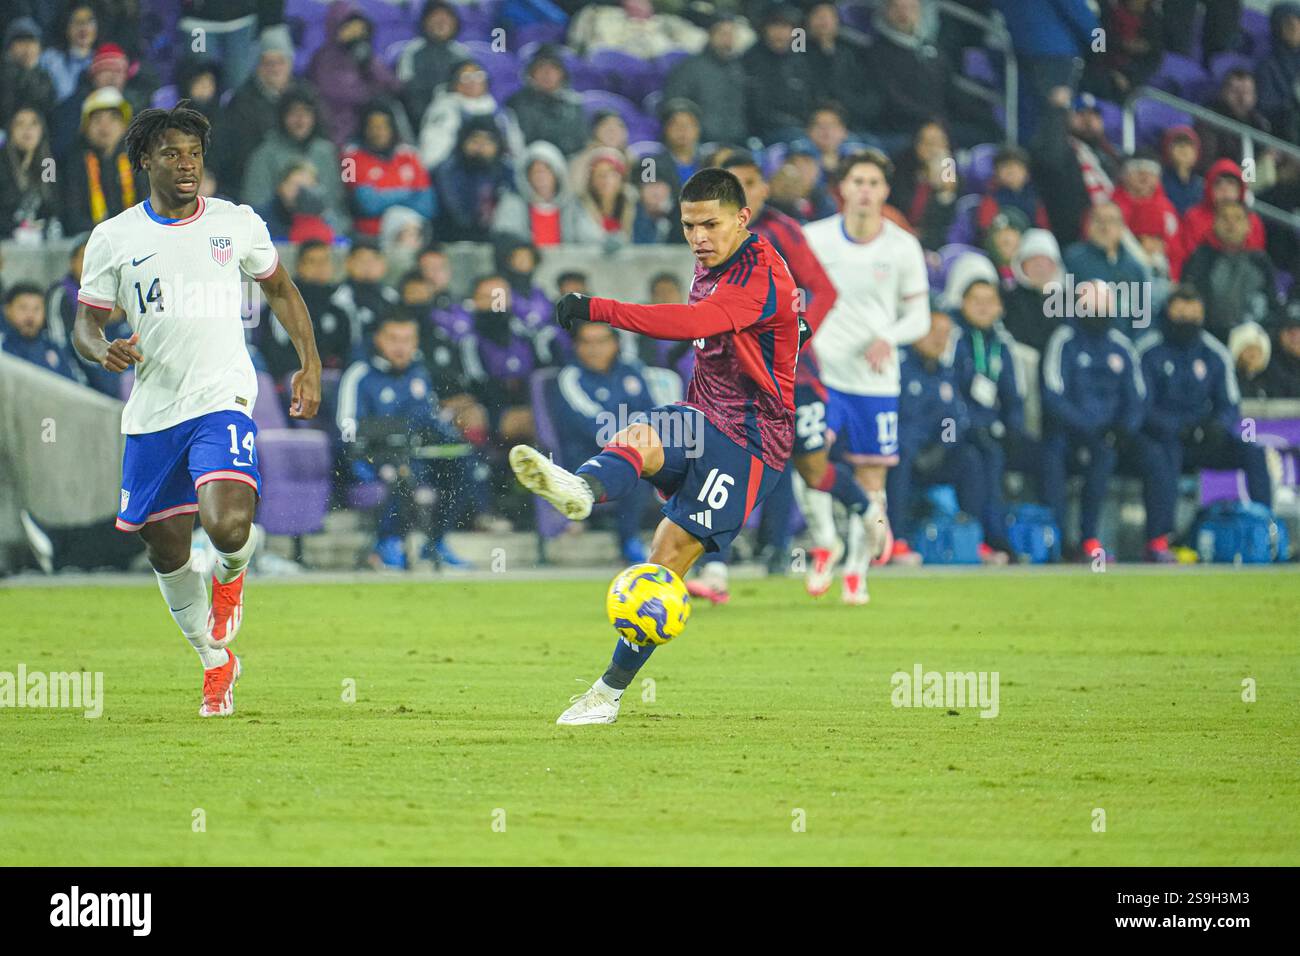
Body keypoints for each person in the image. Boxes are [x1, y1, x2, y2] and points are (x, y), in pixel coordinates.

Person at [507, 168, 802, 724]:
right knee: (640, 434)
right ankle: (582, 490)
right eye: (690, 226)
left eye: (710, 224)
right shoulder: (715, 260)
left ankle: (608, 693)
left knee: (665, 564)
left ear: (743, 219)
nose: (698, 237)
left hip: (753, 441)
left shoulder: (762, 274)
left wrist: (599, 308)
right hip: (704, 414)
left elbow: (692, 321)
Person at [69, 102, 321, 715]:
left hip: (222, 396)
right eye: (173, 154)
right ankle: (216, 662)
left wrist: (308, 362)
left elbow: (281, 289)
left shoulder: (235, 223)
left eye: (195, 154)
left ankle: (231, 574)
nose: (187, 165)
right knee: (164, 547)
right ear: (146, 162)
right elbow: (85, 323)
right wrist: (101, 350)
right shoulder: (115, 236)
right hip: (153, 410)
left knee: (229, 523)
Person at [804, 151, 931, 604]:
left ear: (884, 191)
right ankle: (826, 541)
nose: (864, 190)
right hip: (821, 374)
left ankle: (856, 571)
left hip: (875, 381)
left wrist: (888, 337)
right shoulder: (814, 239)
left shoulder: (901, 246)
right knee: (810, 464)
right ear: (842, 188)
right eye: (857, 180)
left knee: (870, 481)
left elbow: (921, 316)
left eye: (873, 182)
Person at [1134, 286, 1271, 562]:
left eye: (1193, 314)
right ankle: (1160, 540)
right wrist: (1173, 427)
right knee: (1163, 455)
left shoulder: (1214, 352)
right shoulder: (1148, 349)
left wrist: (1216, 427)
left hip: (1204, 436)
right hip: (1162, 436)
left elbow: (1230, 404)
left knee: (1253, 451)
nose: (1187, 321)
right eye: (1180, 313)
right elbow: (1140, 405)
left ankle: (1264, 530)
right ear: (1168, 311)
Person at [337, 312, 474, 570]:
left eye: (408, 339)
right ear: (378, 339)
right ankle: (388, 543)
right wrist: (378, 442)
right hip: (370, 461)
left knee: (463, 465)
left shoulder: (419, 375)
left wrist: (453, 441)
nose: (400, 346)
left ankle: (436, 541)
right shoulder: (360, 375)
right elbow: (346, 429)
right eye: (393, 339)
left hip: (414, 457)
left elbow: (431, 420)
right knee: (398, 470)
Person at [1039, 281, 1145, 562]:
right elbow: (1052, 394)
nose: (1096, 311)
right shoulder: (1063, 339)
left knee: (1144, 455)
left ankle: (1091, 538)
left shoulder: (1121, 346)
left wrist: (1124, 428)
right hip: (1069, 432)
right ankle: (1057, 539)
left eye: (1101, 305)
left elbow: (1136, 399)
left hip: (1109, 435)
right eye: (1090, 305)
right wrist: (1087, 426)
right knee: (1052, 457)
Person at [552, 320, 657, 563]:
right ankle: (629, 541)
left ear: (615, 344)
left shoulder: (632, 371)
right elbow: (592, 425)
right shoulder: (571, 377)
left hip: (634, 448)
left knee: (687, 458)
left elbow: (653, 412)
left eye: (601, 342)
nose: (594, 349)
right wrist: (637, 438)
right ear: (576, 347)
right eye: (586, 343)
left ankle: (704, 548)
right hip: (589, 457)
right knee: (633, 469)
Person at [945, 254, 1023, 560]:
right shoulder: (953, 337)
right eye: (975, 300)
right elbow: (946, 389)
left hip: (990, 429)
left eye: (989, 301)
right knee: (978, 459)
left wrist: (1012, 429)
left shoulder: (1003, 345)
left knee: (1036, 453)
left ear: (1000, 307)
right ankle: (982, 537)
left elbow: (1013, 396)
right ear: (962, 303)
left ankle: (1054, 540)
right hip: (952, 430)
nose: (983, 307)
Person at [307, 1, 401, 148]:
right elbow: (339, 94)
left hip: (368, 127)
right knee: (349, 165)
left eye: (359, 27)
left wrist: (368, 64)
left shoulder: (365, 54)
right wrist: (371, 92)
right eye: (349, 27)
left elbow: (393, 86)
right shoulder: (324, 58)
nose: (355, 31)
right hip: (339, 130)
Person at [1180, 200, 1279, 339]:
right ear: (1214, 223)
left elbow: (1272, 305)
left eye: (1237, 218)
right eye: (1224, 218)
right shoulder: (1200, 258)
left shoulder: (1260, 261)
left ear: (1248, 226)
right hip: (1209, 337)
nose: (1231, 223)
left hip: (1252, 341)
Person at [60, 87, 147, 236]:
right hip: (90, 241)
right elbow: (71, 216)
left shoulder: (139, 161)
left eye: (113, 119)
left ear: (124, 126)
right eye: (97, 120)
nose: (104, 127)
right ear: (85, 128)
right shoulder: (73, 164)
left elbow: (150, 208)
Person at [342, 101, 434, 239]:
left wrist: (381, 196)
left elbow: (429, 206)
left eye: (384, 127)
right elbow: (364, 204)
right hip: (369, 237)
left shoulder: (411, 156)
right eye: (373, 127)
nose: (379, 132)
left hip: (411, 235)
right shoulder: (348, 159)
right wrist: (409, 193)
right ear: (364, 129)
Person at [492, 139, 604, 246]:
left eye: (546, 171)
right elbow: (504, 237)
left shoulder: (571, 206)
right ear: (526, 177)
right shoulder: (513, 204)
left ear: (557, 174)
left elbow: (590, 236)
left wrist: (606, 242)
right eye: (535, 172)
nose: (541, 177)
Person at [1169, 159, 1267, 279]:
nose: (1224, 189)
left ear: (1240, 188)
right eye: (1218, 183)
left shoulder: (1253, 221)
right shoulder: (1194, 217)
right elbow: (1185, 255)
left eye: (1231, 183)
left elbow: (1256, 259)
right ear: (1210, 187)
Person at [662, 12, 748, 145]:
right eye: (723, 33)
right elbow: (673, 105)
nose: (727, 39)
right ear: (710, 34)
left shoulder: (740, 68)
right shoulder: (689, 68)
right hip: (701, 142)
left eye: (731, 34)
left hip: (739, 140)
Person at [396, 0, 470, 130]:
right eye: (435, 17)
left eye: (447, 18)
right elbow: (406, 90)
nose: (441, 22)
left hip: (456, 117)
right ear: (425, 22)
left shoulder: (462, 54)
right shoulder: (412, 52)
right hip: (421, 117)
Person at [891, 120, 962, 253]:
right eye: (927, 142)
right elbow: (897, 205)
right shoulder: (902, 167)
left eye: (938, 142)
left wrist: (944, 188)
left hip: (934, 241)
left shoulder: (949, 167)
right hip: (901, 232)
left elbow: (947, 216)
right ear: (917, 145)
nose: (933, 148)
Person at [507, 45, 588, 158]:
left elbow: (580, 141)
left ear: (562, 74)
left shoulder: (574, 104)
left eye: (553, 69)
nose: (547, 73)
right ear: (531, 74)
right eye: (541, 68)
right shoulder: (517, 103)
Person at [0, 107, 60, 241]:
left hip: (40, 239)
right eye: (20, 124)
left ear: (41, 130)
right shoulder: (2, 163)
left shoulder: (48, 164)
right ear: (11, 130)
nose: (27, 130)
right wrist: (17, 228)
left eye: (34, 124)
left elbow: (52, 204)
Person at [1002, 228, 1066, 353]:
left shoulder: (1068, 301)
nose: (1040, 266)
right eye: (1033, 261)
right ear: (1022, 265)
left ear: (1055, 266)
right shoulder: (1009, 299)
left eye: (1045, 261)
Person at [1, 283, 82, 382]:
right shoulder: (2, 343)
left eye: (36, 309)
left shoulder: (52, 347)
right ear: (7, 310)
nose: (30, 316)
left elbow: (72, 386)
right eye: (23, 308)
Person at [1256, 3, 1300, 143]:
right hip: (1283, 133)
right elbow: (1267, 107)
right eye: (1289, 23)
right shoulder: (1267, 66)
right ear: (1278, 26)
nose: (1296, 28)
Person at [1161, 126, 1204, 217]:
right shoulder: (1159, 180)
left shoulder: (1203, 185)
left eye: (1189, 144)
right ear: (1167, 150)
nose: (1183, 148)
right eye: (1178, 143)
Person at [1229, 320, 1272, 399]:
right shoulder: (1228, 380)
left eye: (1257, 349)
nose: (1253, 353)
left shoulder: (1272, 380)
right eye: (1248, 348)